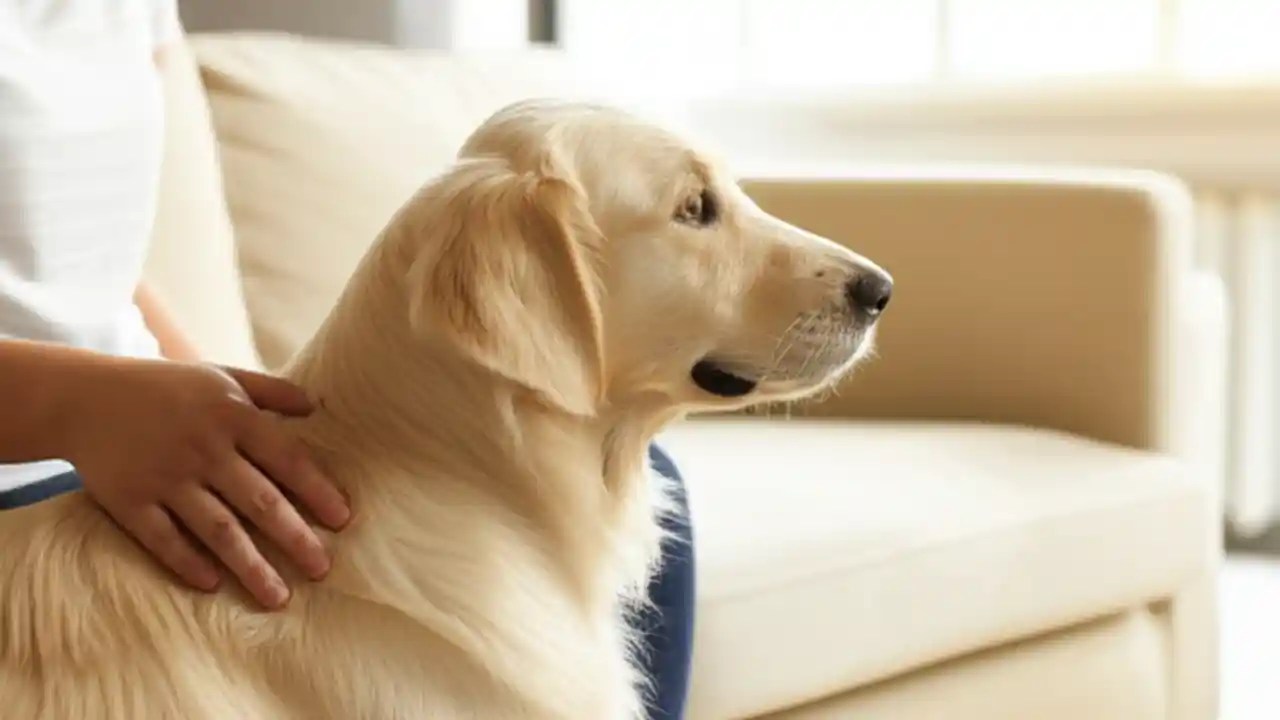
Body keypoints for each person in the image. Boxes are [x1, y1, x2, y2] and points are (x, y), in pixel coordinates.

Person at [0, 2, 695, 717]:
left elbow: (82, 267)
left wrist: (228, 405)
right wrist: (79, 406)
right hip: (26, 460)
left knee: (609, 485)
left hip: (128, 425)